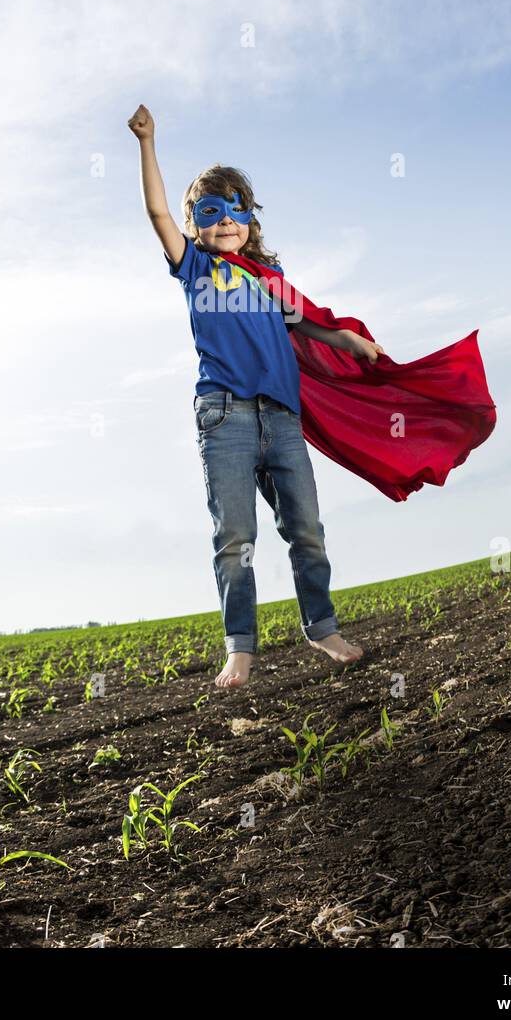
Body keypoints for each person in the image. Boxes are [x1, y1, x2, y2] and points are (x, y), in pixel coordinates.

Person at [127, 103, 382, 689]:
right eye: (210, 214)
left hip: (283, 420)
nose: (224, 223)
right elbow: (156, 210)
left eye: (234, 212)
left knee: (307, 530)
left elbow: (309, 324)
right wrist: (148, 142)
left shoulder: (268, 282)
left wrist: (346, 338)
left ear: (250, 221)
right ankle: (239, 648)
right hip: (226, 417)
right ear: (197, 225)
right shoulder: (194, 268)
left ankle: (322, 627)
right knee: (235, 536)